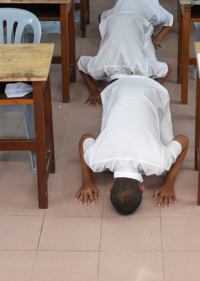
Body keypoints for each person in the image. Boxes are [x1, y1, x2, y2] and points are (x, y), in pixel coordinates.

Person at [75, 76, 189, 214]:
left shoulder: (159, 162)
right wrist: (87, 181)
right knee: (166, 161)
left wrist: (168, 183)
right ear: (111, 186)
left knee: (167, 164)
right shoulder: (96, 160)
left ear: (142, 188)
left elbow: (184, 140)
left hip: (142, 89)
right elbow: (84, 139)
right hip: (121, 88)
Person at [79, 11, 171, 106]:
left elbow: (168, 69)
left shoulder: (141, 68)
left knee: (150, 69)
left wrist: (150, 91)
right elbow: (80, 62)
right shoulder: (98, 68)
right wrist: (93, 90)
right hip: (117, 20)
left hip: (135, 21)